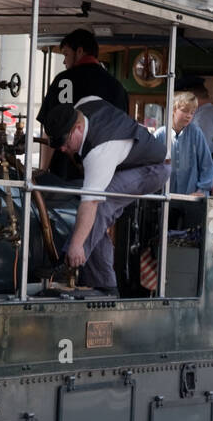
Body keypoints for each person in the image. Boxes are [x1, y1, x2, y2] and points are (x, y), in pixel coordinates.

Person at [41, 97, 169, 293]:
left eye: (65, 143)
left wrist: (76, 245)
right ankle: (104, 284)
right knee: (86, 204)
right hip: (128, 162)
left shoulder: (100, 152)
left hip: (154, 168)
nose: (63, 150)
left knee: (99, 204)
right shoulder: (84, 104)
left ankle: (67, 265)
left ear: (78, 128)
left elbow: (91, 203)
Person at [36, 29, 129, 178]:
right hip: (102, 175)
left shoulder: (63, 81)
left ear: (79, 52)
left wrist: (42, 171)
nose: (64, 61)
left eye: (66, 54)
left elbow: (49, 131)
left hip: (63, 174)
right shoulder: (117, 87)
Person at [154, 91, 213, 196]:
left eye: (192, 112)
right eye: (185, 111)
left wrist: (201, 191)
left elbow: (207, 165)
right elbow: (150, 167)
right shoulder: (160, 135)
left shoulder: (196, 133)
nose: (189, 116)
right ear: (173, 110)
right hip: (163, 197)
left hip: (191, 198)